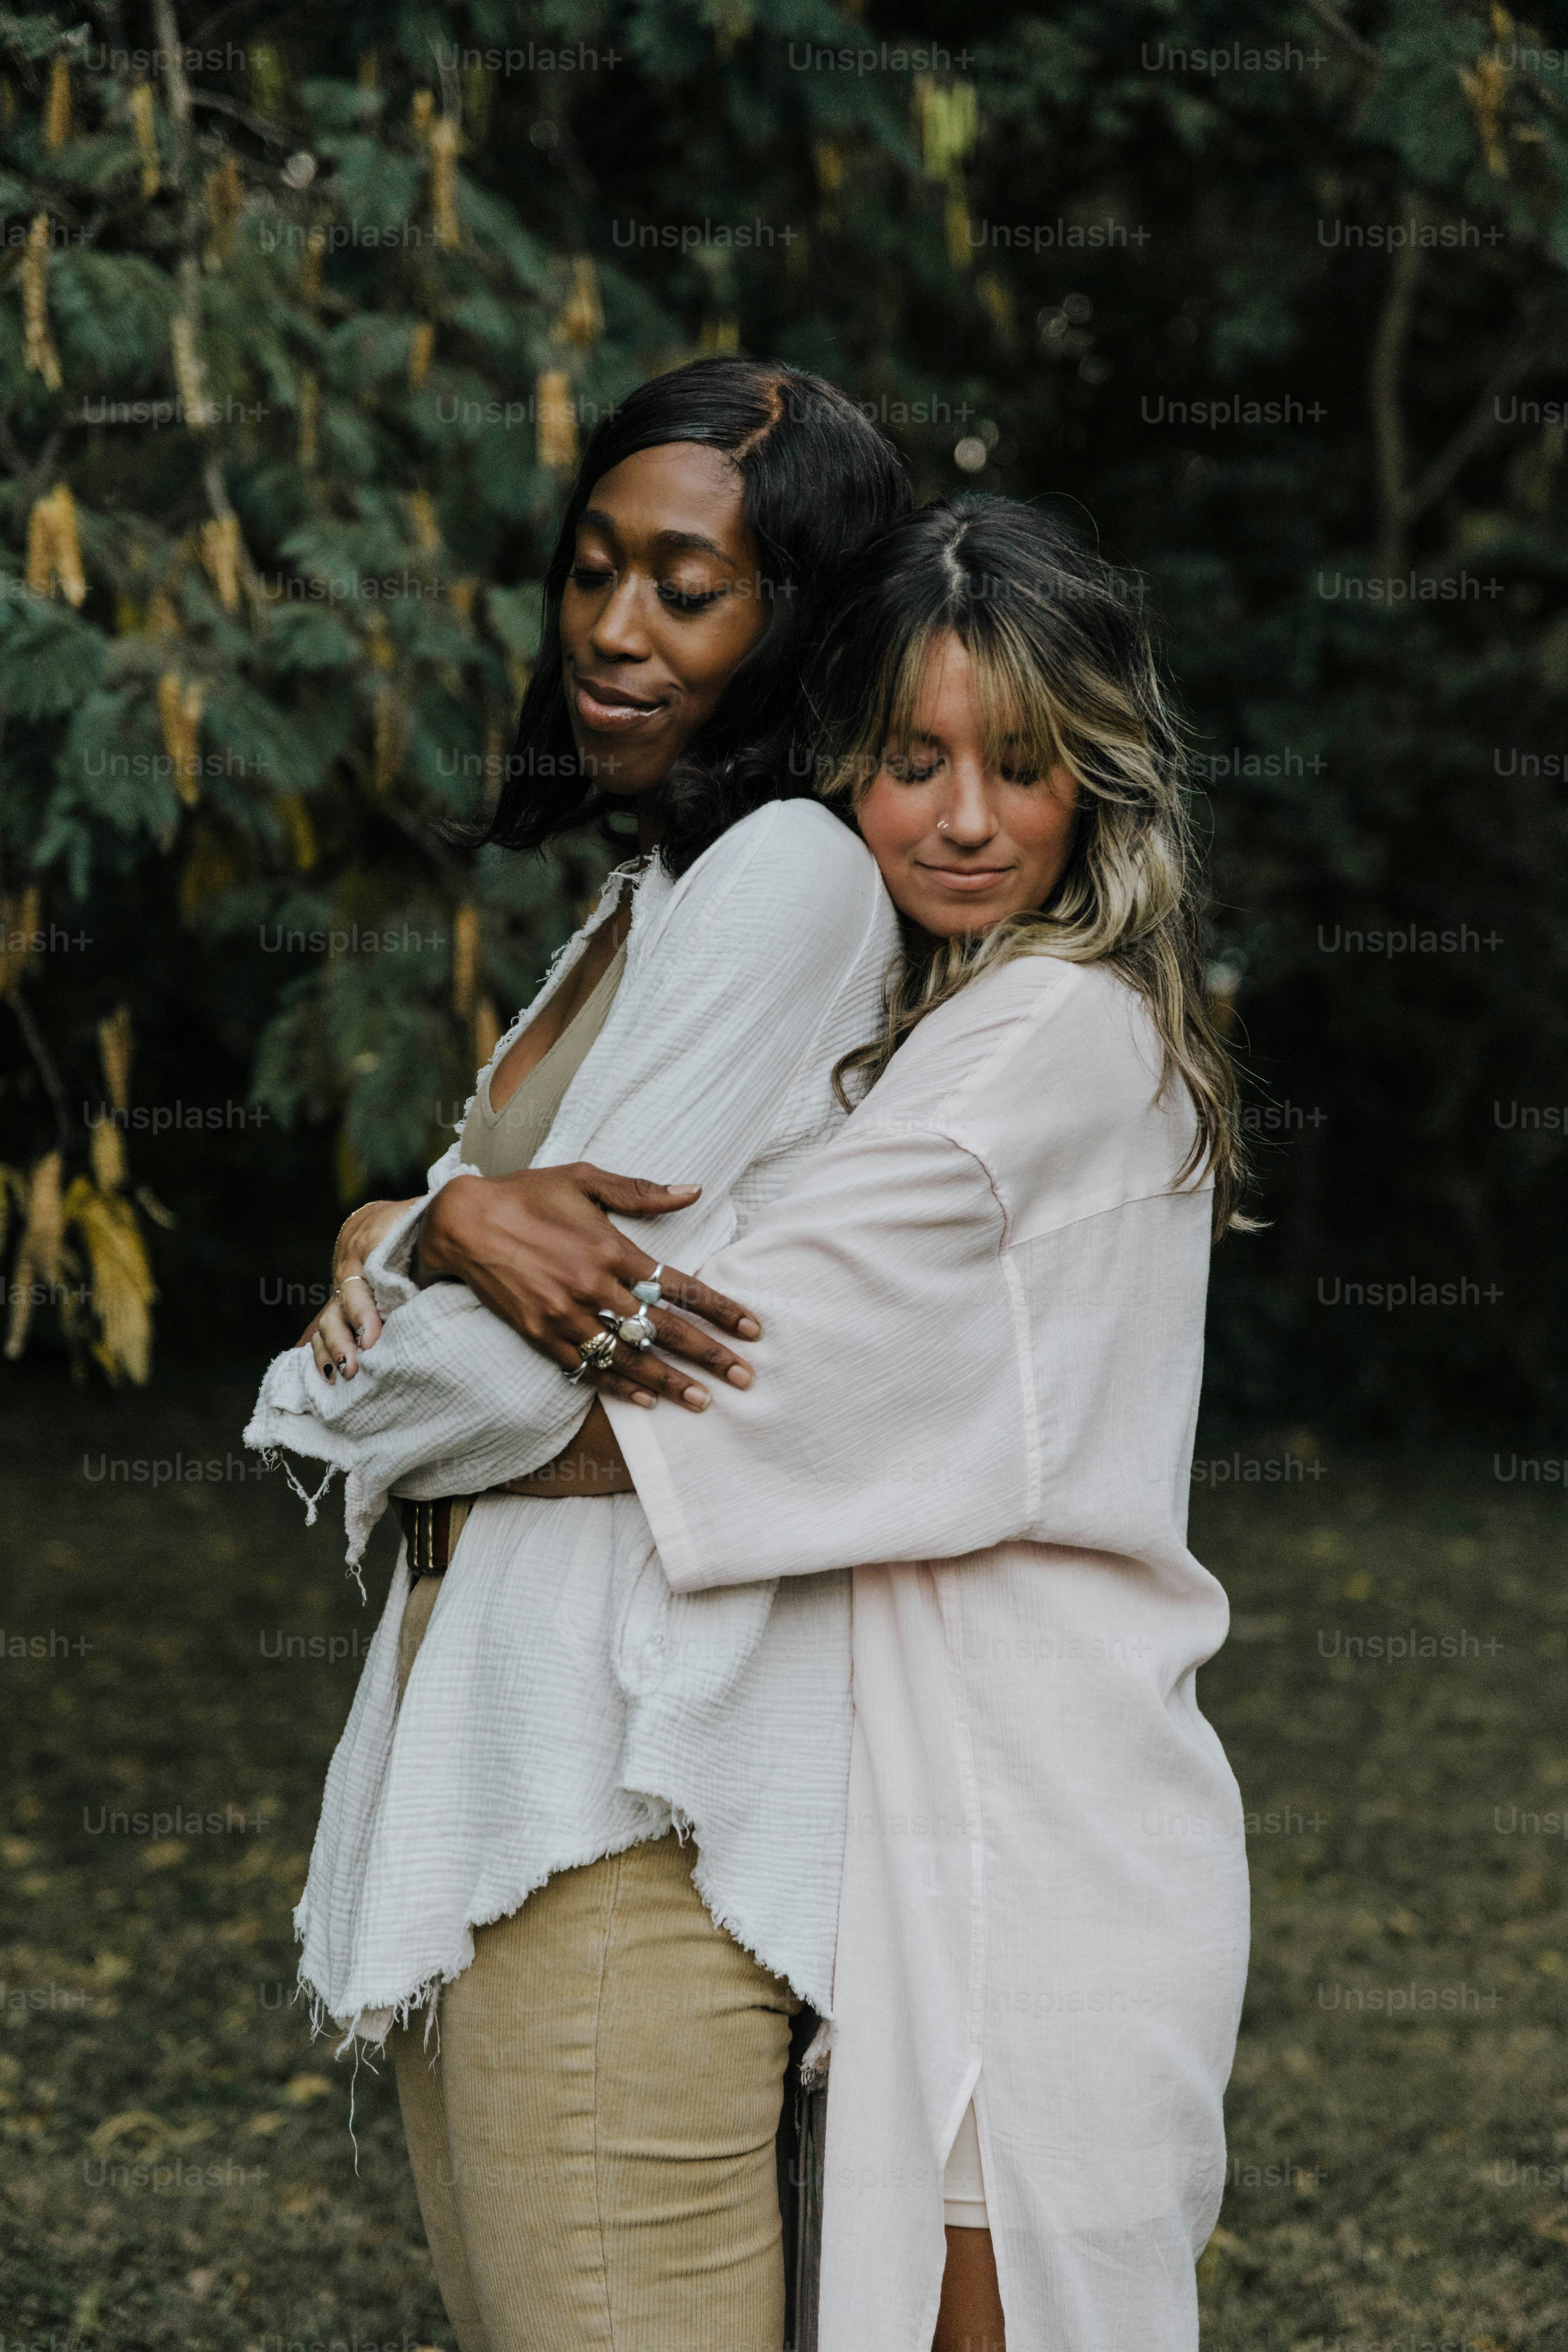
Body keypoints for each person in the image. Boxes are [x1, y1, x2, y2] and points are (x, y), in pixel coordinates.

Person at [505, 493, 1254, 2352]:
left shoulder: (1047, 1044)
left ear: (1097, 782)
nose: (965, 817)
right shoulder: (935, 1022)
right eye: (910, 761)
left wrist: (402, 1372)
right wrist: (437, 1218)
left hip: (1030, 1829)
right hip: (930, 1805)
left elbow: (708, 1349)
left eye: (1020, 764)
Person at [245, 354, 911, 2352]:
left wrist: (350, 1332)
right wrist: (425, 1225)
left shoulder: (789, 878)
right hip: (510, 1758)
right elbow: (456, 1252)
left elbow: (520, 1377)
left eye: (687, 588)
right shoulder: (657, 893)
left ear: (801, 622)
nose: (617, 631)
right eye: (594, 569)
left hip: (621, 1805)